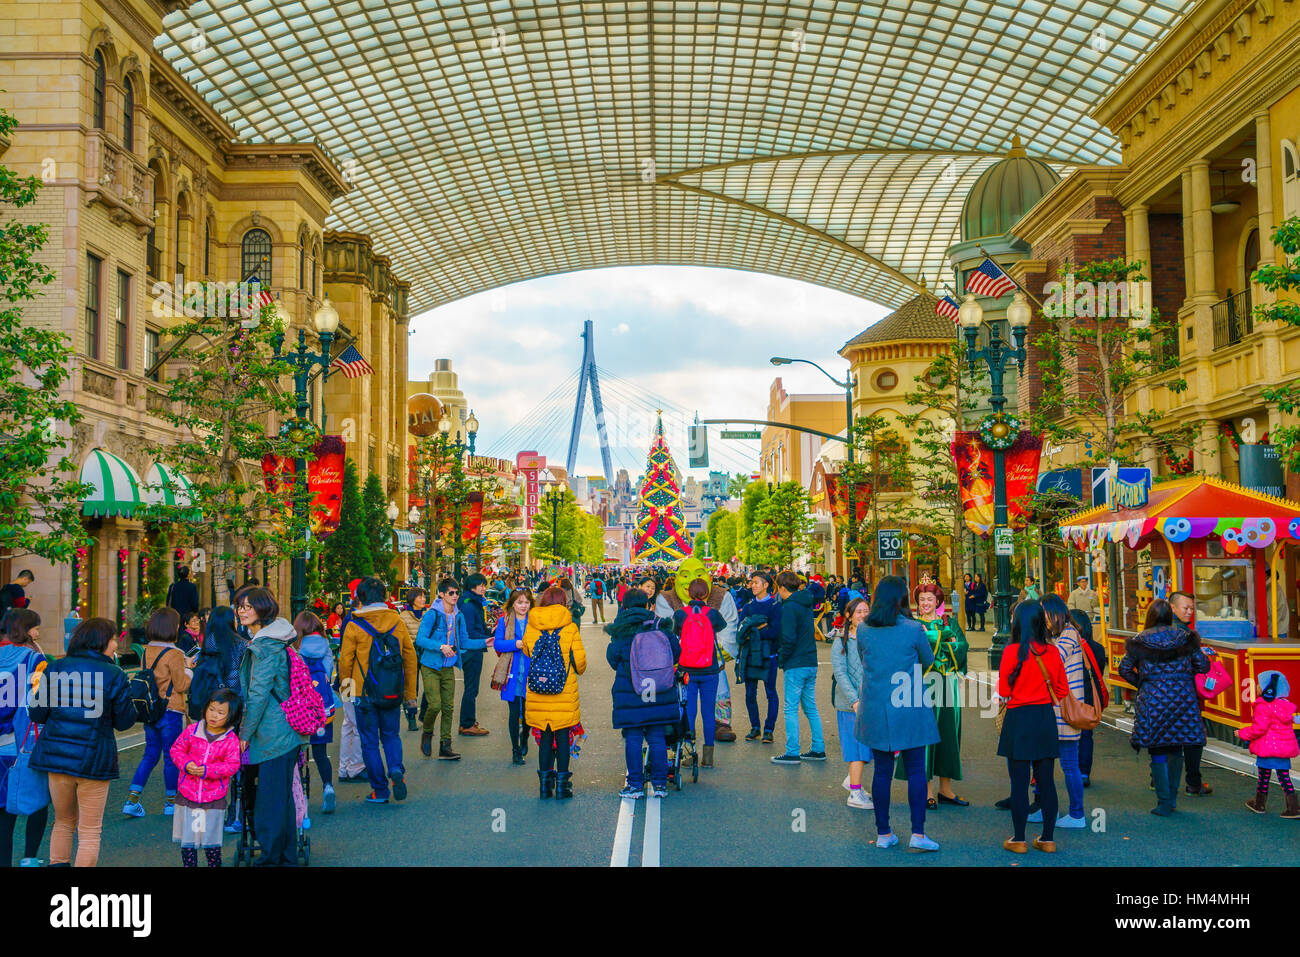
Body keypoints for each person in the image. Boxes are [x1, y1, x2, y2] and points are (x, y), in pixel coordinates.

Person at [28, 617, 136, 866]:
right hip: (94, 760)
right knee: (89, 831)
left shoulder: (55, 668)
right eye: (113, 640)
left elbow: (36, 713)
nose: (115, 646)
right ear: (101, 642)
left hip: (56, 758)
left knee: (63, 822)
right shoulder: (114, 674)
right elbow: (124, 722)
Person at [856, 577, 940, 851]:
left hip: (876, 705)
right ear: (903, 599)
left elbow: (863, 660)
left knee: (882, 771)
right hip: (909, 703)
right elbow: (929, 660)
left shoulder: (865, 630)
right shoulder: (914, 628)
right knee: (916, 769)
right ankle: (918, 833)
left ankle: (884, 833)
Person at [236, 587, 308, 865]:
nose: (242, 610)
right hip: (286, 730)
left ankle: (269, 859)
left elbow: (258, 693)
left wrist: (245, 733)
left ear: (263, 610)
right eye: (240, 606)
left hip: (273, 732)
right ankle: (286, 857)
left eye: (248, 606)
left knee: (269, 801)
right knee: (282, 799)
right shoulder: (277, 639)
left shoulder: (265, 645)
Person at [1119, 599, 1210, 816]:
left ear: (1150, 617)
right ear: (1170, 616)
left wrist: (1142, 682)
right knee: (1177, 746)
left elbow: (1124, 668)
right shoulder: (1184, 638)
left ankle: (1163, 802)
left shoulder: (1141, 640)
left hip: (1153, 701)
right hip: (1183, 701)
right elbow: (1203, 665)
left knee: (1157, 750)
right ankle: (1173, 798)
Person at [339, 577, 419, 804]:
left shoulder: (355, 625)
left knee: (369, 741)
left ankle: (380, 790)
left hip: (364, 693)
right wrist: (409, 694)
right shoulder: (397, 622)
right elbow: (410, 658)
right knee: (391, 735)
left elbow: (345, 661)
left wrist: (346, 693)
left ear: (360, 598)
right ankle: (395, 768)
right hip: (392, 690)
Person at [998, 601, 1069, 854]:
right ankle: (1047, 839)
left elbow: (1003, 690)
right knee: (1047, 782)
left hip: (1018, 719)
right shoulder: (1051, 652)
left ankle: (1019, 839)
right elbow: (1062, 690)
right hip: (1044, 718)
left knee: (1018, 784)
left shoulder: (1011, 652)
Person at [606, 589, 679, 798]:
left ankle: (636, 785)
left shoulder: (621, 629)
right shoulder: (660, 625)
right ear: (648, 605)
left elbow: (613, 658)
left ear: (625, 607)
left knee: (634, 737)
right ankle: (660, 785)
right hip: (659, 689)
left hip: (630, 690)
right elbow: (676, 652)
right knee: (657, 737)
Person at [123, 607, 192, 819]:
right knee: (171, 755)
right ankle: (171, 802)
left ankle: (132, 800)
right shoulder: (175, 654)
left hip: (151, 710)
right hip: (171, 710)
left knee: (150, 754)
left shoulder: (146, 651)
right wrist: (189, 668)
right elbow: (181, 685)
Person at [522, 586, 587, 799]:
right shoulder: (570, 627)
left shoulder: (532, 626)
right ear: (564, 603)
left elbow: (527, 651)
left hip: (538, 690)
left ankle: (544, 786)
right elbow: (580, 665)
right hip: (562, 690)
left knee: (545, 736)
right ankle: (562, 786)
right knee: (562, 735)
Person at [908, 581, 968, 807]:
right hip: (924, 684)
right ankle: (926, 791)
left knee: (949, 735)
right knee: (926, 737)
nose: (925, 603)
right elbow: (915, 653)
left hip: (948, 683)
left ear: (938, 602)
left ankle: (946, 789)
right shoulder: (912, 625)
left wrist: (935, 640)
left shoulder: (949, 621)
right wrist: (941, 640)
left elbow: (962, 646)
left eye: (930, 600)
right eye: (922, 600)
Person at [169, 687, 242, 866]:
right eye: (211, 709)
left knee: (211, 844)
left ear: (231, 716)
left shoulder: (230, 739)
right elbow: (176, 750)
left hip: (213, 800)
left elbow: (232, 765)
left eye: (220, 712)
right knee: (189, 843)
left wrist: (208, 771)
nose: (214, 715)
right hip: (189, 797)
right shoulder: (192, 731)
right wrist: (187, 765)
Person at [0, 608, 49, 866]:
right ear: (27, 630)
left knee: (2, 812)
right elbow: (42, 700)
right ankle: (30, 857)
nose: (38, 632)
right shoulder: (34, 659)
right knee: (38, 797)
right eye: (35, 627)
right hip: (23, 743)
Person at [671, 579, 728, 768]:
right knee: (708, 712)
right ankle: (708, 758)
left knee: (689, 710)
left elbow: (676, 633)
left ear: (688, 593)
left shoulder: (680, 614)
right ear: (706, 594)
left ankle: (690, 752)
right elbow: (721, 627)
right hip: (710, 668)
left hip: (687, 669)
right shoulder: (712, 614)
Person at [1041, 594, 1087, 829]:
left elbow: (1053, 660)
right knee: (1043, 763)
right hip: (1054, 708)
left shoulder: (1069, 634)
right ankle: (1044, 807)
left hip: (1065, 709)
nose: (1042, 619)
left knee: (1069, 764)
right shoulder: (1058, 635)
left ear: (1054, 613)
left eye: (1044, 614)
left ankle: (1077, 814)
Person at [771, 571, 826, 765]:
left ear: (782, 588)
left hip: (796, 663)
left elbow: (788, 638)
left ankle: (792, 751)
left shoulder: (789, 607)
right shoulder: (806, 603)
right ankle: (818, 748)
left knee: (790, 708)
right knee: (810, 707)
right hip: (810, 660)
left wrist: (782, 659)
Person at [415, 579, 466, 760]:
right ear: (442, 594)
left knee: (448, 707)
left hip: (447, 666)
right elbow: (420, 639)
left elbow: (464, 641)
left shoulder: (458, 615)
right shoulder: (432, 614)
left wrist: (485, 642)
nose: (455, 596)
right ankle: (427, 733)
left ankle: (445, 745)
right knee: (435, 704)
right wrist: (440, 646)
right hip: (430, 665)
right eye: (451, 593)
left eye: (457, 593)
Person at [1168, 590, 1212, 796]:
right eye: (1185, 608)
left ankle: (1160, 780)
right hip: (1186, 695)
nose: (1189, 612)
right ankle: (1193, 782)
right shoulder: (1187, 635)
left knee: (1168, 738)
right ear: (1172, 608)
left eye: (1192, 608)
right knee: (1193, 738)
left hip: (1161, 696)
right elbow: (1202, 665)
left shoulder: (1154, 632)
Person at [1238, 670, 1300, 818]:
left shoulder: (1262, 706)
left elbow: (1259, 728)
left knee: (1264, 777)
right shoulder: (1285, 706)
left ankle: (1259, 804)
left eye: (1260, 685)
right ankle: (1294, 808)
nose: (1257, 687)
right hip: (1283, 748)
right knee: (1284, 777)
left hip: (1266, 747)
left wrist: (1242, 733)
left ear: (1269, 689)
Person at [830, 597, 872, 810]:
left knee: (867, 747)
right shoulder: (842, 640)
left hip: (870, 702)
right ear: (849, 616)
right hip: (850, 704)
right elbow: (840, 673)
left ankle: (852, 781)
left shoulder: (872, 637)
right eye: (858, 612)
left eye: (866, 611)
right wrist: (854, 701)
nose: (863, 615)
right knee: (856, 748)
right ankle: (854, 792)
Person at [295, 611, 338, 814]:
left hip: (301, 709)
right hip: (322, 708)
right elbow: (329, 675)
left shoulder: (295, 648)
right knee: (321, 753)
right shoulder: (326, 646)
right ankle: (328, 786)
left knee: (297, 753)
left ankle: (298, 795)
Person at [493, 588, 535, 765]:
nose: (523, 606)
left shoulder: (535, 621)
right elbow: (498, 644)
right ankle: (515, 749)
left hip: (531, 671)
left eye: (526, 602)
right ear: (512, 604)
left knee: (528, 713)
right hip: (511, 671)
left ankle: (525, 736)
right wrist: (515, 644)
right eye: (519, 602)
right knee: (513, 712)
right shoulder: (504, 620)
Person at [1069, 609, 1106, 787]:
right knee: (1086, 735)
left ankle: (1072, 770)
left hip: (1071, 697)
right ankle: (1084, 772)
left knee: (1068, 735)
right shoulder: (1098, 649)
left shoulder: (1068, 648)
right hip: (1090, 698)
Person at [742, 571, 781, 743]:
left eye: (757, 582)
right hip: (750, 655)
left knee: (770, 692)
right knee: (750, 693)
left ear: (766, 585)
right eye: (752, 582)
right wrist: (761, 627)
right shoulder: (748, 606)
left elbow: (775, 632)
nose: (753, 585)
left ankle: (769, 729)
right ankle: (755, 727)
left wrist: (753, 630)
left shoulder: (775, 606)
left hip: (769, 655)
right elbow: (741, 631)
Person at [457, 573, 493, 736]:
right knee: (471, 688)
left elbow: (476, 627)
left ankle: (468, 719)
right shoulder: (468, 604)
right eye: (481, 585)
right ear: (472, 586)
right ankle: (467, 724)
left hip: (474, 649)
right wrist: (488, 638)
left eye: (485, 585)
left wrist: (488, 631)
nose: (484, 588)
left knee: (471, 688)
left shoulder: (472, 601)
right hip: (471, 651)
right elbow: (470, 632)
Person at [399, 588, 428, 732]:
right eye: (420, 597)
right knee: (411, 687)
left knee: (430, 685)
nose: (423, 599)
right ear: (412, 599)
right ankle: (411, 717)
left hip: (426, 654)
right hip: (410, 655)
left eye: (424, 597)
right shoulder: (403, 616)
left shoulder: (428, 614)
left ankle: (423, 712)